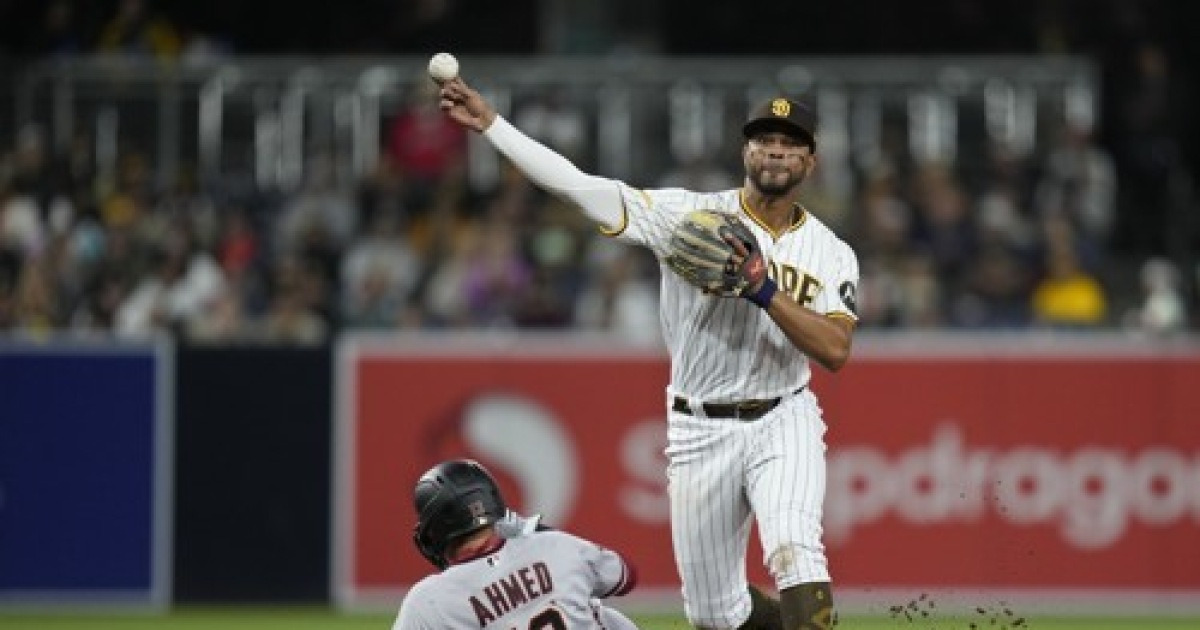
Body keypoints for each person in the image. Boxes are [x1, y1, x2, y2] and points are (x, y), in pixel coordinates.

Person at [437, 73, 859, 630]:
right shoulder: (686, 214)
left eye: (790, 144)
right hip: (697, 427)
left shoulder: (830, 251)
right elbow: (579, 187)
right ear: (746, 151)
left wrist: (763, 290)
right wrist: (493, 126)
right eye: (765, 140)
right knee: (714, 614)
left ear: (810, 160)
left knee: (795, 548)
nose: (775, 151)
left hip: (784, 416)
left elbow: (835, 350)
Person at [393, 459, 641, 630]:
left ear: (436, 528)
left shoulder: (428, 601)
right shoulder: (554, 546)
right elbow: (627, 576)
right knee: (603, 615)